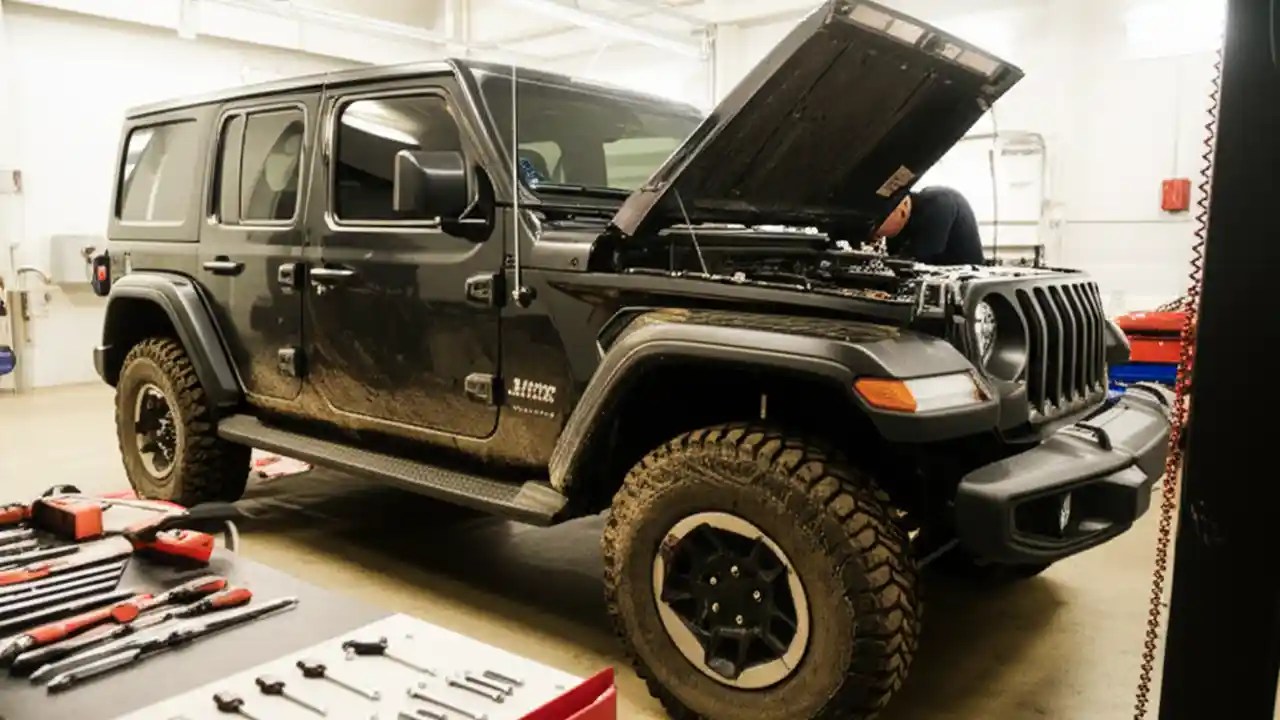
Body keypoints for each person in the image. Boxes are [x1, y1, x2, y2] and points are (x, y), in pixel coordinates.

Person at [875, 186, 986, 265]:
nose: (875, 234)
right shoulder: (899, 227)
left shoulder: (939, 201)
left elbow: (924, 254)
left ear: (902, 209)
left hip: (964, 282)